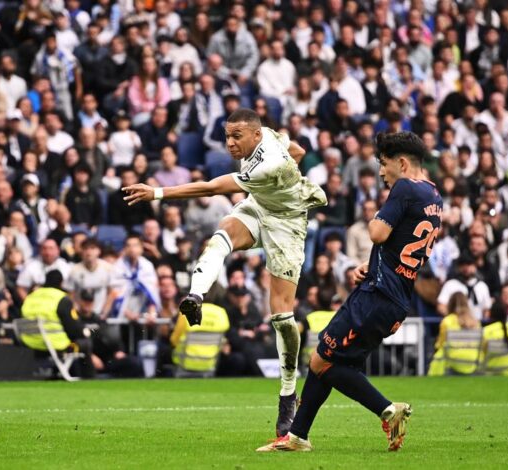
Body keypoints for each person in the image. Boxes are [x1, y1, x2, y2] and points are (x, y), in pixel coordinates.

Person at [123, 108, 326, 437]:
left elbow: (212, 187)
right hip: (259, 206)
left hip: (287, 224)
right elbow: (298, 151)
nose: (230, 144)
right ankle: (196, 294)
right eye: (227, 136)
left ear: (255, 135)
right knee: (221, 235)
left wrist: (157, 192)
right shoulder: (271, 135)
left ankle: (288, 394)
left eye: (237, 137)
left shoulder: (267, 165)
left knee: (282, 316)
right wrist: (289, 178)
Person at [257, 131, 441, 452]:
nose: (381, 173)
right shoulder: (433, 195)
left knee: (321, 361)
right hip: (392, 296)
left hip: (376, 297)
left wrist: (374, 214)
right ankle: (298, 436)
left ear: (401, 163)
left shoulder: (404, 189)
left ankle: (387, 410)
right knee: (329, 362)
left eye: (384, 165)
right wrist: (371, 268)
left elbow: (378, 232)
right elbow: (406, 247)